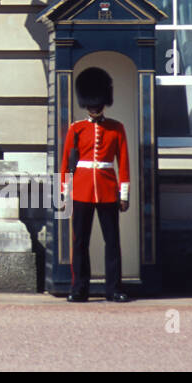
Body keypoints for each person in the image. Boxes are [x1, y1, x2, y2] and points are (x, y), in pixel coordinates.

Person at [59, 67, 130, 303]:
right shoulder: (76, 129)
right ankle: (79, 288)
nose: (94, 107)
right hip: (81, 189)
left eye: (97, 103)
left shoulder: (116, 128)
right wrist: (64, 192)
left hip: (108, 190)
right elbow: (67, 163)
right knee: (80, 242)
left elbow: (124, 162)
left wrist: (124, 193)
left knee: (112, 242)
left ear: (103, 102)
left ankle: (114, 288)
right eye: (90, 103)